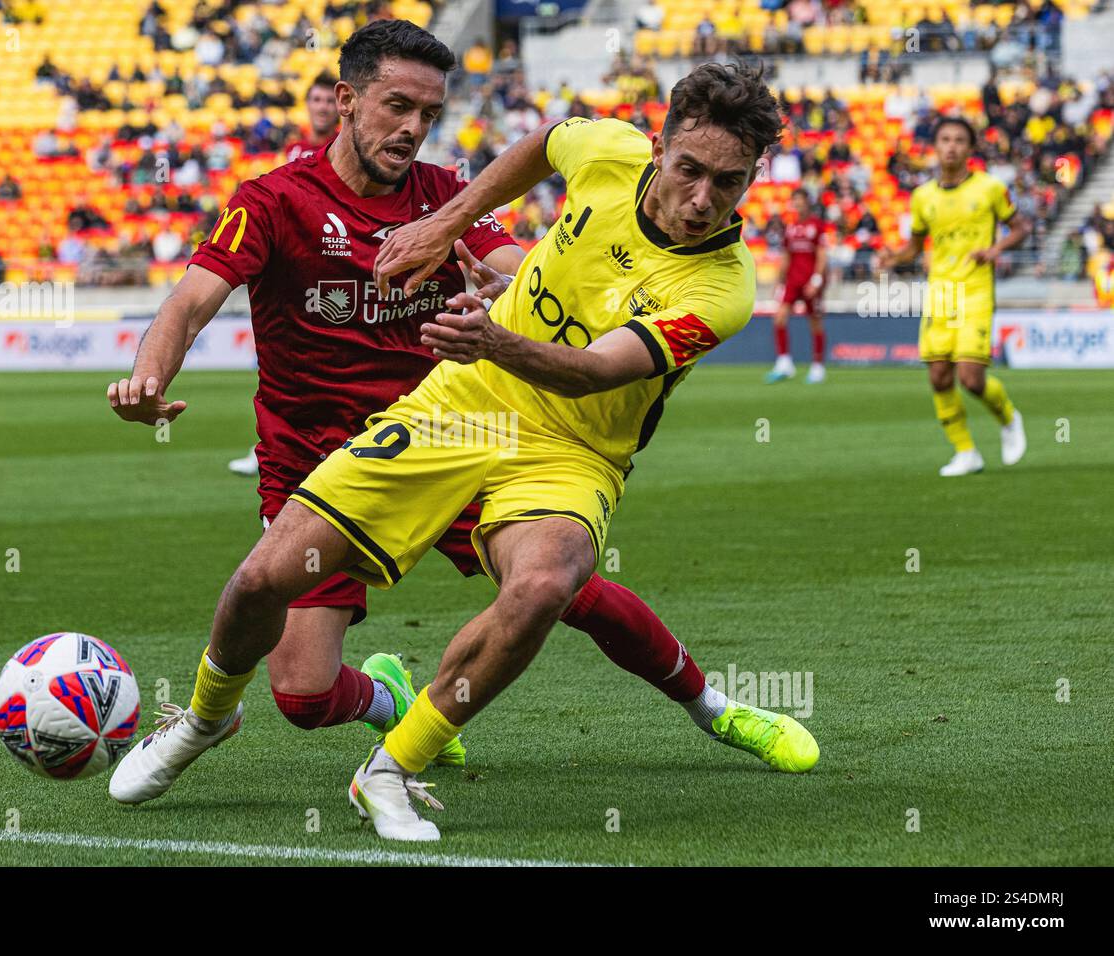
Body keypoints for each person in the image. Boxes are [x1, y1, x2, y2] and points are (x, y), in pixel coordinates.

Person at [107, 56, 819, 841]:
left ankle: (391, 771)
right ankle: (205, 720)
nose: (702, 200)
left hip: (569, 448)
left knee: (553, 584)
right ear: (656, 148)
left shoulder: (722, 287)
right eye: (690, 170)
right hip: (455, 410)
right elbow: (547, 143)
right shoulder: (602, 151)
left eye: (729, 182)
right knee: (262, 587)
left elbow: (590, 373)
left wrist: (493, 323)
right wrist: (447, 233)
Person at [877, 116, 1030, 476]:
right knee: (939, 378)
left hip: (975, 291)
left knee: (971, 379)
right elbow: (914, 248)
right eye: (945, 139)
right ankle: (966, 452)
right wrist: (892, 257)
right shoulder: (922, 197)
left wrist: (996, 249)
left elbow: (1022, 226)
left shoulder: (990, 188)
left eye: (960, 140)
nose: (951, 146)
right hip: (939, 293)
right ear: (935, 145)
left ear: (970, 148)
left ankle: (1008, 418)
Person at [226, 74, 343, 478]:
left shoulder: (350, 150)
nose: (323, 106)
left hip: (334, 271)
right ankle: (271, 449)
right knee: (280, 365)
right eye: (316, 99)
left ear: (344, 102)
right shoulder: (295, 150)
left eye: (329, 99)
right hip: (293, 273)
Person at [766, 187, 829, 383]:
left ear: (807, 202)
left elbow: (821, 255)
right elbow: (786, 256)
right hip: (793, 281)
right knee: (779, 318)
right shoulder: (791, 227)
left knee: (815, 321)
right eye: (795, 201)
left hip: (811, 281)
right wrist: (779, 281)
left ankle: (818, 366)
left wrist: (817, 280)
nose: (798, 204)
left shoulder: (817, 226)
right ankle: (784, 362)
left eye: (801, 200)